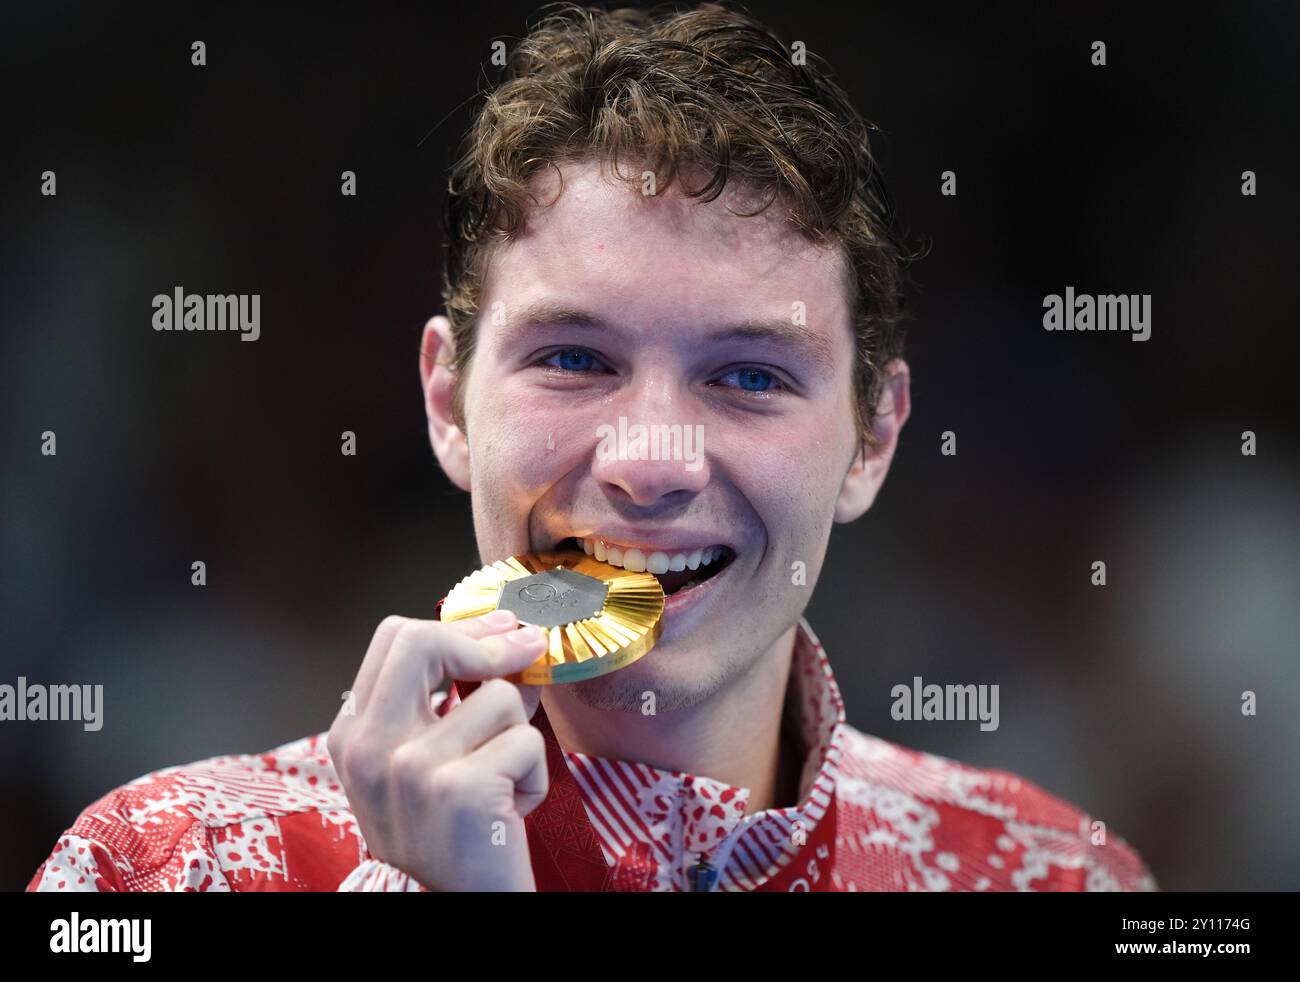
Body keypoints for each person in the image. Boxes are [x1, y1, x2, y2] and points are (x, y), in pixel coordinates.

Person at [27, 1, 1156, 892]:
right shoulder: (164, 868)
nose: (652, 458)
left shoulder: (1052, 875)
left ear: (871, 439)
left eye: (749, 375)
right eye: (573, 358)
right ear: (448, 402)